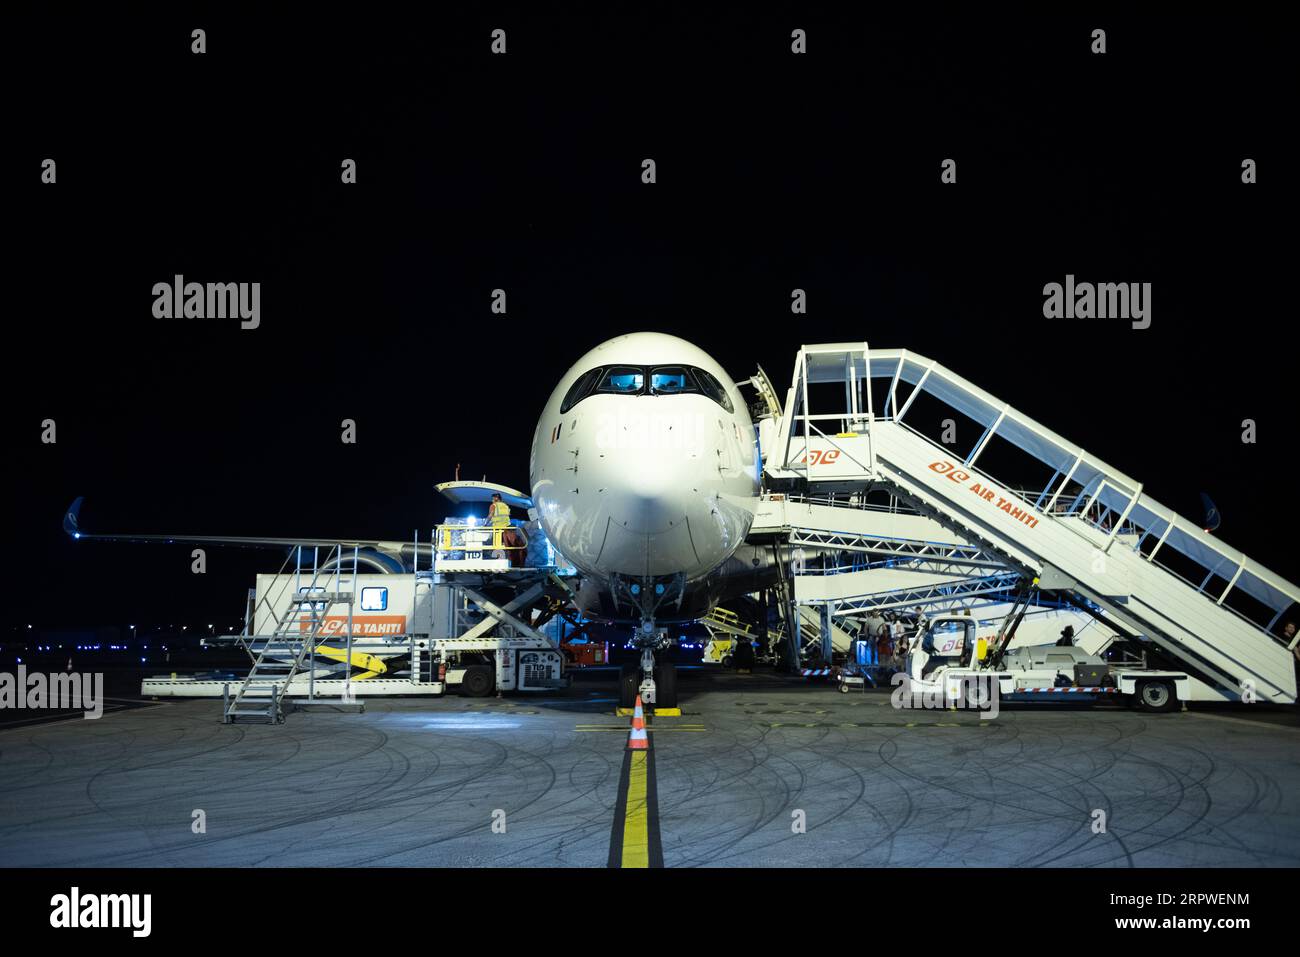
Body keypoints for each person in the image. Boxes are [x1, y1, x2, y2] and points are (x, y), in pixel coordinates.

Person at [488, 493, 511, 559]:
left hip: (498, 528)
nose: (492, 500)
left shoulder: (494, 505)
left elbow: (490, 515)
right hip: (507, 528)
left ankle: (498, 558)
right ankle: (505, 558)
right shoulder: (505, 506)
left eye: (493, 498)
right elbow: (508, 515)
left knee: (496, 545)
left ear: (496, 498)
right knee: (504, 544)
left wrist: (485, 524)